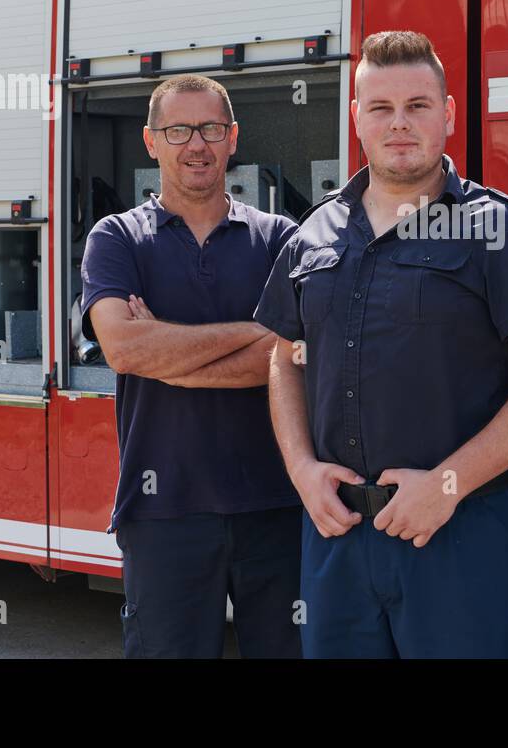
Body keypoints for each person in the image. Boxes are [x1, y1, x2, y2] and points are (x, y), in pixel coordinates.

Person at [254, 30, 508, 658]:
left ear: (449, 114)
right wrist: (301, 469)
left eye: (418, 106)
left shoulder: (499, 231)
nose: (399, 124)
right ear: (356, 119)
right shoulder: (314, 232)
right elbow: (285, 357)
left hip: (460, 538)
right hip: (339, 538)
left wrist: (448, 485)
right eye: (380, 108)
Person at [81, 74, 302, 658]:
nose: (195, 144)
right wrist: (257, 334)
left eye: (209, 128)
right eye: (178, 130)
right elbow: (124, 350)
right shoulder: (117, 238)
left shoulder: (281, 238)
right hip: (162, 510)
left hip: (277, 505)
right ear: (151, 142)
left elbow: (295, 355)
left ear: (233, 138)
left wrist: (167, 351)